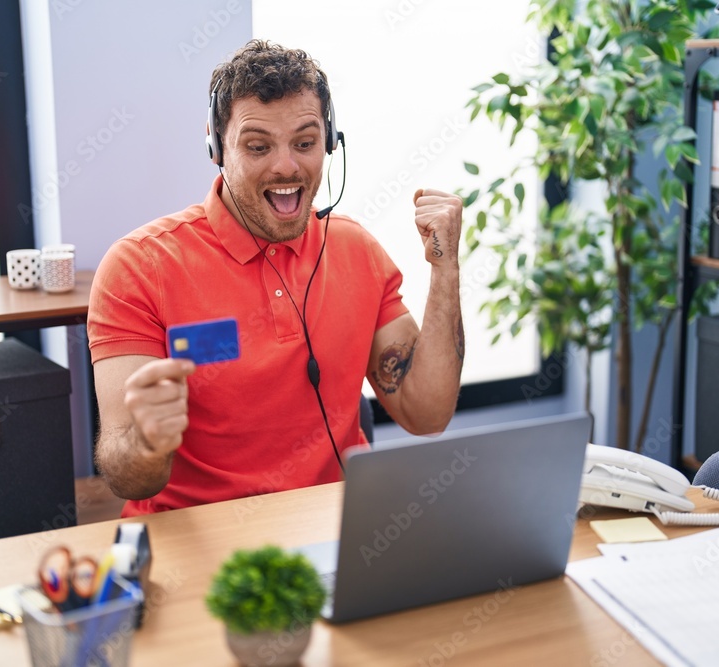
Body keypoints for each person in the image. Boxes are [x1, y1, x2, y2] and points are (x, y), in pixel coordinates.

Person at [88, 40, 464, 516]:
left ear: (329, 143)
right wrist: (146, 441)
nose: (287, 166)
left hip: (337, 531)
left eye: (305, 143)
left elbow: (427, 414)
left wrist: (445, 267)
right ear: (216, 146)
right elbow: (126, 479)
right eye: (258, 146)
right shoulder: (138, 267)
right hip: (198, 542)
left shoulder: (356, 250)